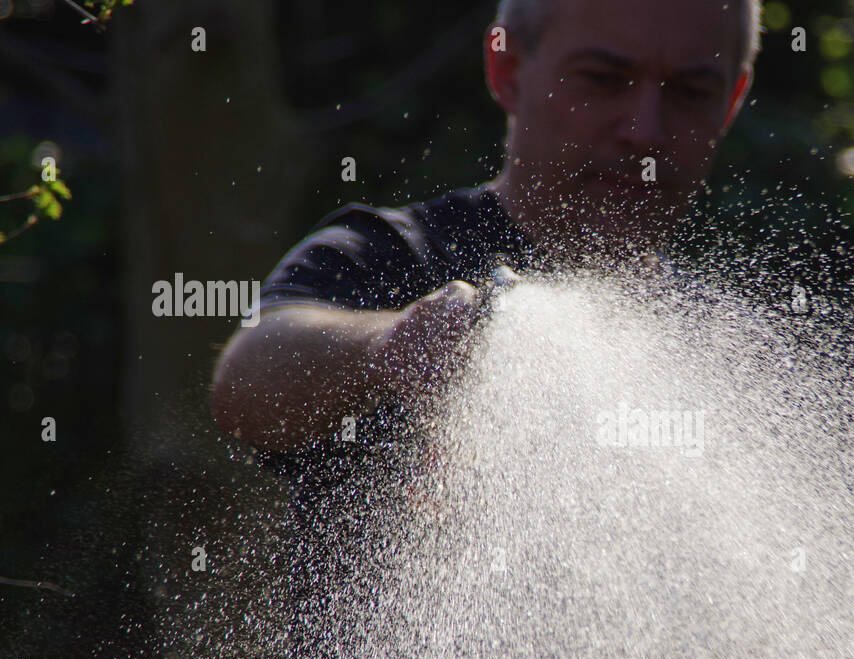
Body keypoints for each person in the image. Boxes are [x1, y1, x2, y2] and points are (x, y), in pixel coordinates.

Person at [210, 0, 759, 516]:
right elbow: (247, 377)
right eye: (603, 80)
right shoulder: (392, 256)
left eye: (689, 91)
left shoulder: (733, 356)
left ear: (733, 102)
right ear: (508, 68)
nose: (645, 130)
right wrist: (393, 345)